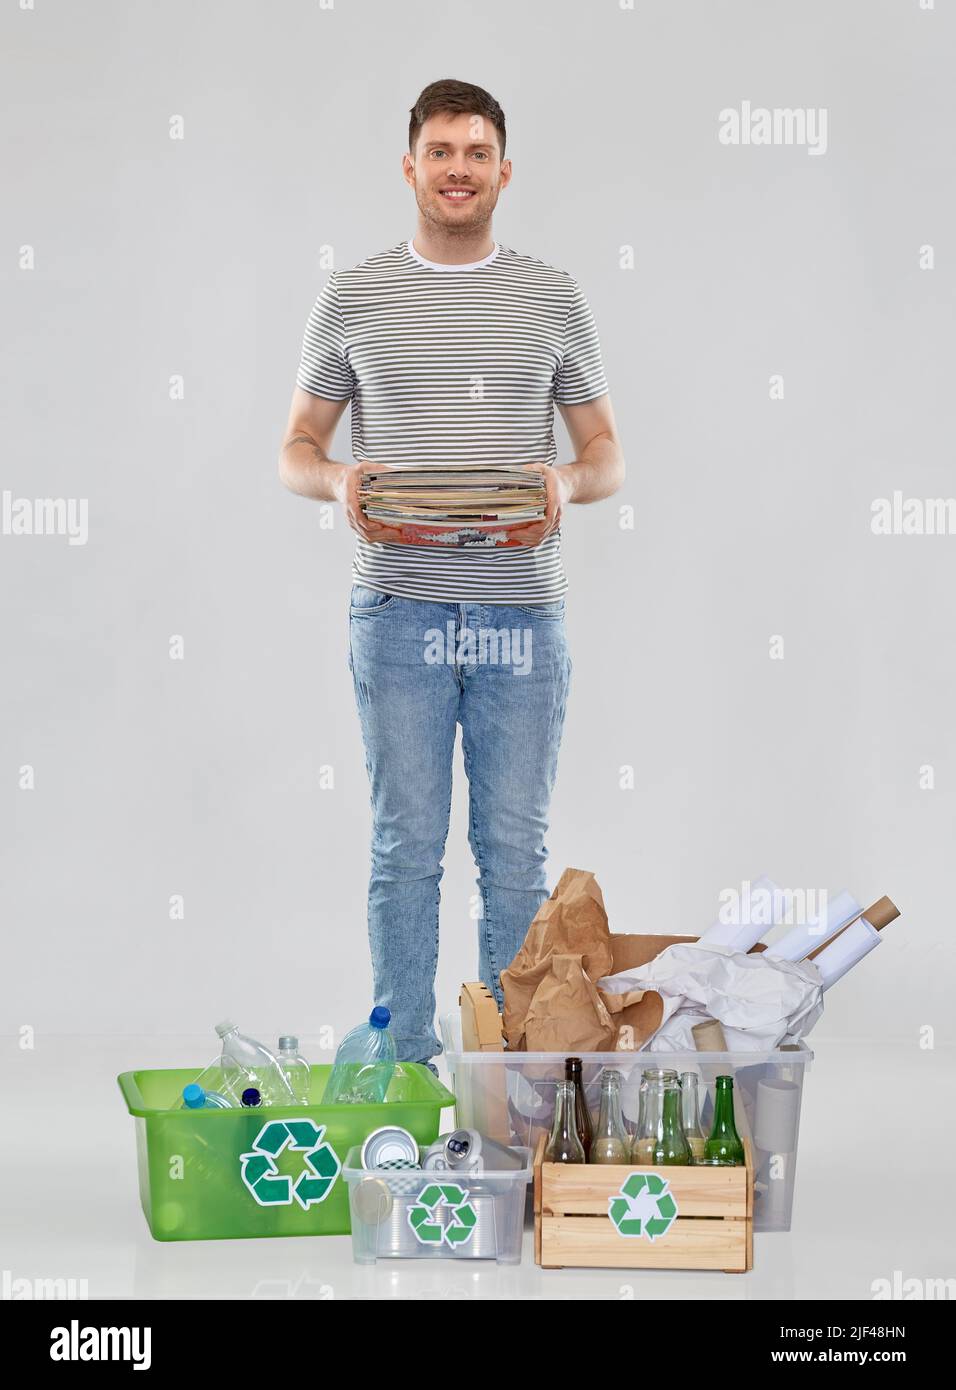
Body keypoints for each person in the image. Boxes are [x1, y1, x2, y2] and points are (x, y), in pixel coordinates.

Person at [279, 78, 624, 1065]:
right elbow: (294, 446)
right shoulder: (352, 293)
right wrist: (336, 476)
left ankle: (509, 1067)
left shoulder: (550, 295)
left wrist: (565, 479)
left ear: (502, 171)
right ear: (410, 167)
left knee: (512, 852)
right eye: (440, 152)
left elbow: (606, 454)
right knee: (405, 848)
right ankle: (405, 1064)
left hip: (522, 615)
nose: (457, 169)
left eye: (475, 153)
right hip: (397, 610)